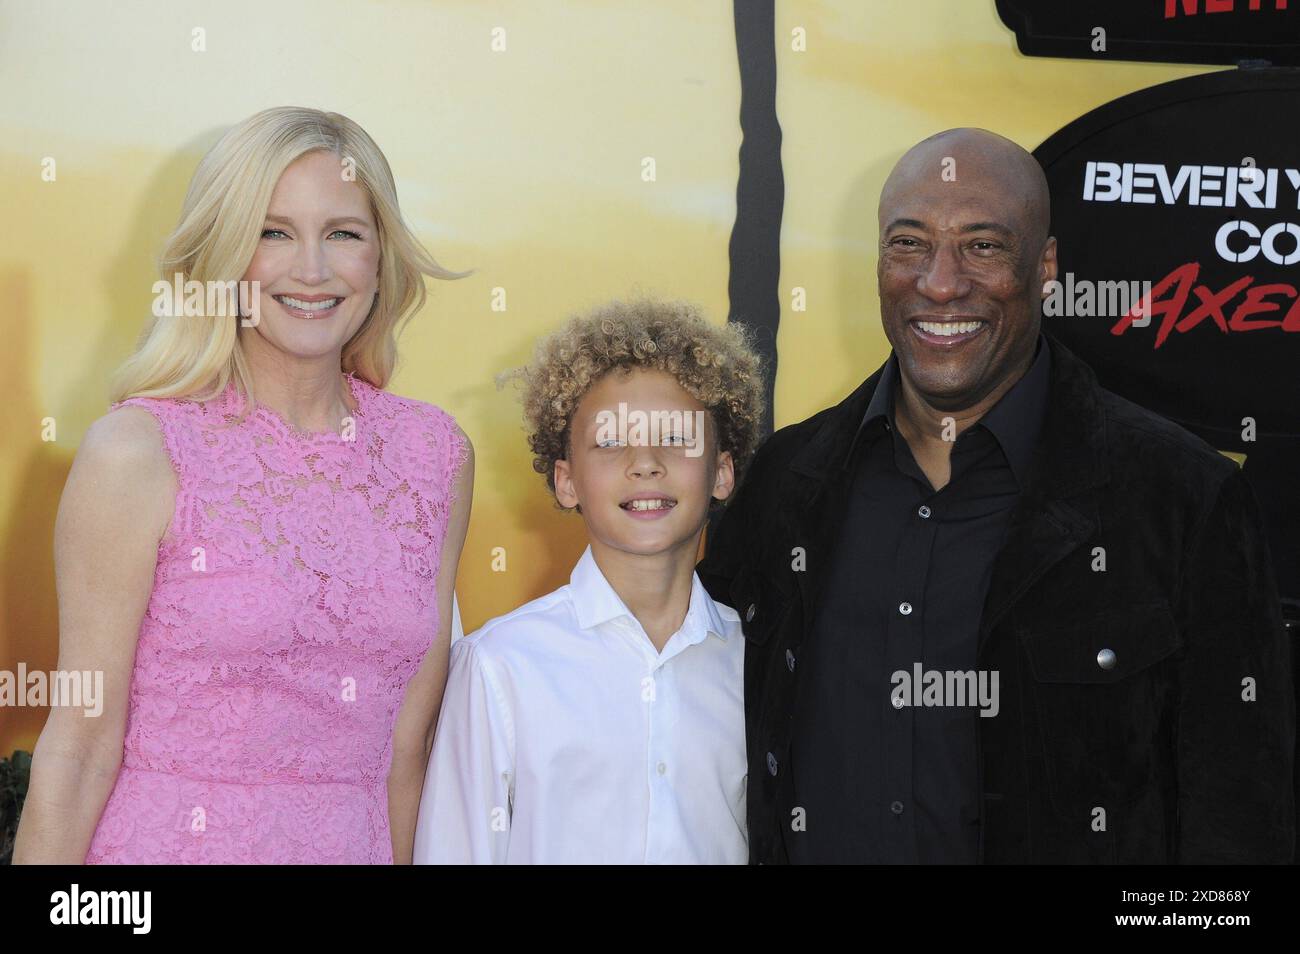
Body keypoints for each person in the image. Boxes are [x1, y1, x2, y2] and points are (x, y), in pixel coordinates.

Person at [698, 127, 1295, 864]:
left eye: (982, 246)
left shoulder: (1182, 501)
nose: (941, 283)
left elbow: (1240, 825)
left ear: (1044, 266)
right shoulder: (782, 482)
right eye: (909, 244)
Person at [14, 106, 474, 864]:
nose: (312, 269)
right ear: (225, 252)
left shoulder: (435, 457)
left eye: (344, 233)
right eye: (273, 232)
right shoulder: (137, 452)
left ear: (380, 257)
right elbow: (81, 743)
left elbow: (406, 754)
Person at [413, 298, 763, 863]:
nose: (645, 462)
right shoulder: (500, 666)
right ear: (567, 480)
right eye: (611, 441)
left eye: (675, 437)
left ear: (722, 471)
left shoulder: (756, 663)